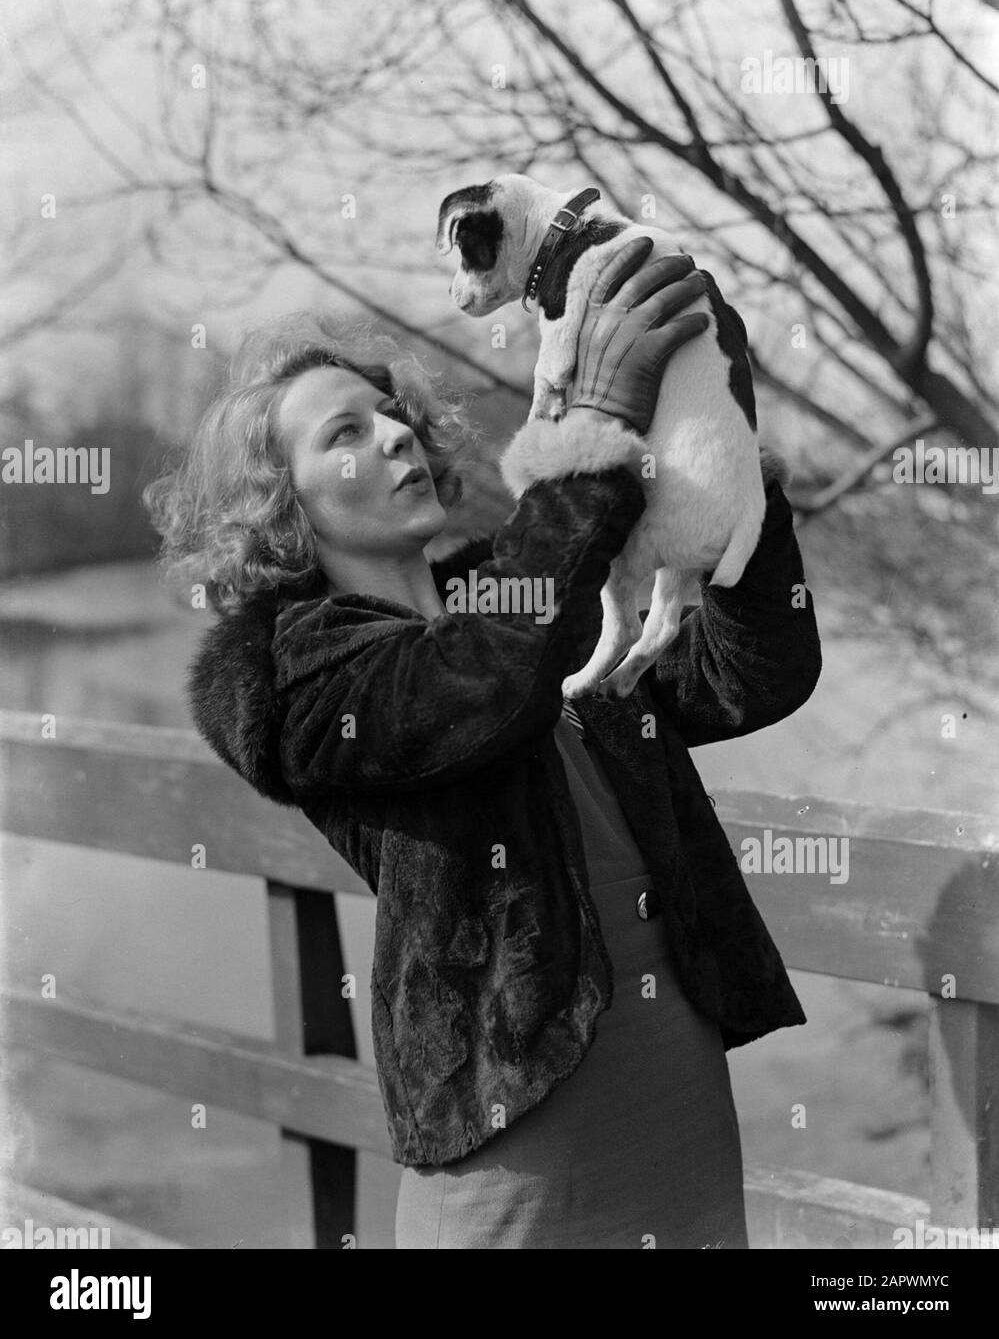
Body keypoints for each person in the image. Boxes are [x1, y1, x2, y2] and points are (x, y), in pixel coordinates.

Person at [144, 238, 821, 1249]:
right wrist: (590, 433)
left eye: (392, 415)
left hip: (672, 1078)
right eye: (345, 432)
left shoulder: (518, 600)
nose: (393, 436)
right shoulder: (305, 677)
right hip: (518, 1112)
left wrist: (717, 444)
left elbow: (746, 672)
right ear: (283, 509)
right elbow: (487, 684)